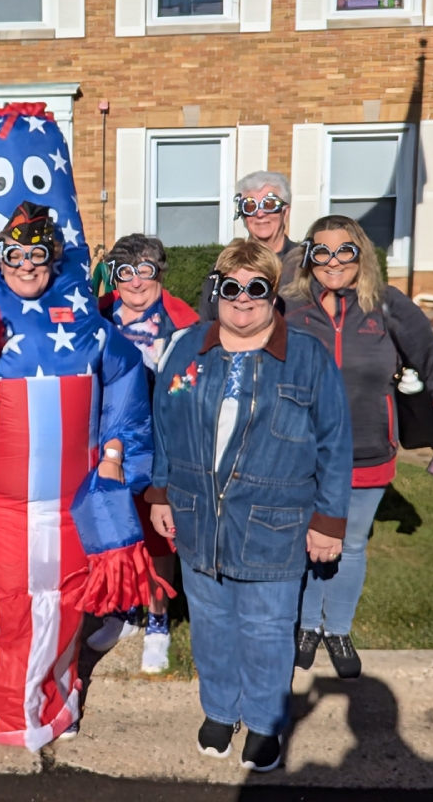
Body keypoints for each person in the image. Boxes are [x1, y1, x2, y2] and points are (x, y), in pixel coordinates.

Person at [0, 103, 154, 751]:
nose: (27, 264)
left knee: (66, 600)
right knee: (3, 601)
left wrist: (117, 451)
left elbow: (125, 388)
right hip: (0, 504)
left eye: (39, 253)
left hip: (70, 502)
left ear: (54, 256)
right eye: (14, 254)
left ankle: (54, 702)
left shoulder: (91, 329)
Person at [147, 238, 352, 772]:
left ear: (272, 295)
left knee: (265, 628)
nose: (243, 300)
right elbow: (162, 423)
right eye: (231, 287)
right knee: (212, 622)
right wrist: (161, 491)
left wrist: (329, 523)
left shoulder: (306, 356)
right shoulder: (185, 346)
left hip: (274, 524)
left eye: (256, 289)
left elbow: (334, 442)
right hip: (197, 514)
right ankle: (219, 708)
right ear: (217, 290)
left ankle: (264, 720)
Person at [283, 215, 433, 679]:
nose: (332, 262)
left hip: (369, 448)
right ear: (308, 257)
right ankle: (306, 626)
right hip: (304, 453)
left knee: (349, 544)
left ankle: (338, 629)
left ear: (360, 255)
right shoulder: (290, 309)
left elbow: (430, 366)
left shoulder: (388, 307)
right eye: (321, 252)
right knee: (307, 542)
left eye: (343, 251)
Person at [88, 233, 199, 673]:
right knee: (116, 531)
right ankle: (123, 610)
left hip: (158, 446)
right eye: (126, 272)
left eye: (146, 270)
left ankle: (157, 620)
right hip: (105, 445)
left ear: (160, 272)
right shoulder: (98, 317)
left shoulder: (182, 324)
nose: (136, 281)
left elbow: (188, 391)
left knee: (156, 539)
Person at [198, 172, 301, 320]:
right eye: (250, 206)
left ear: (285, 212)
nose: (260, 214)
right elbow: (208, 321)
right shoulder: (225, 266)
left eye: (269, 204)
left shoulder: (303, 264)